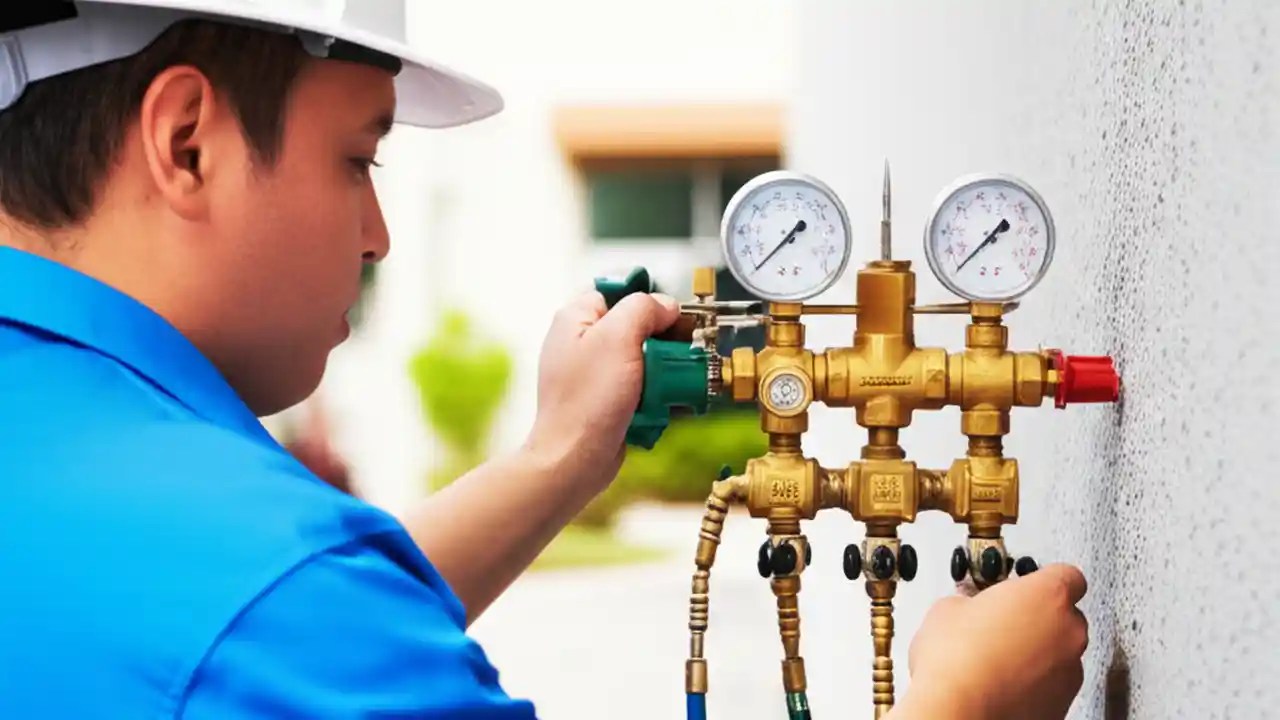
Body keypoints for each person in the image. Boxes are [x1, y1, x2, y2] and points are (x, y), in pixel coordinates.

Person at [0, 2, 1089, 718]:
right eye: (358, 159)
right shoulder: (274, 602)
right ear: (187, 142)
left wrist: (561, 455)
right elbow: (286, 617)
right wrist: (963, 704)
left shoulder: (183, 553)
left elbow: (265, 623)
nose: (378, 235)